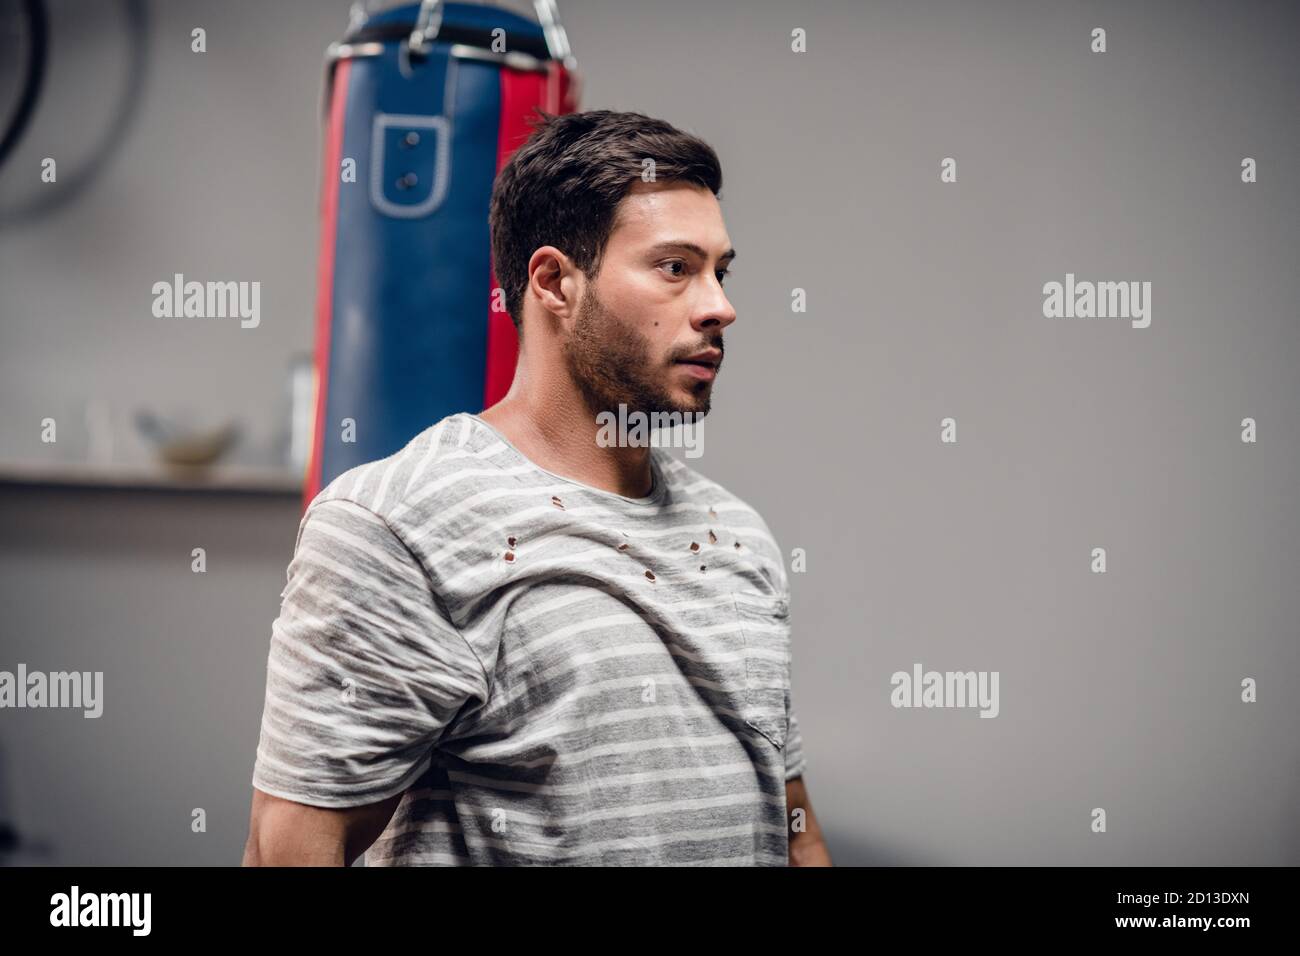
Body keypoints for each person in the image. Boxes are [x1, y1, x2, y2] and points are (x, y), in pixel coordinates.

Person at [243, 109, 831, 866]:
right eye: (676, 267)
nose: (720, 305)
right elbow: (288, 851)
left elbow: (794, 829)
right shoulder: (397, 526)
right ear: (555, 281)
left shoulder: (737, 532)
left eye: (721, 270)